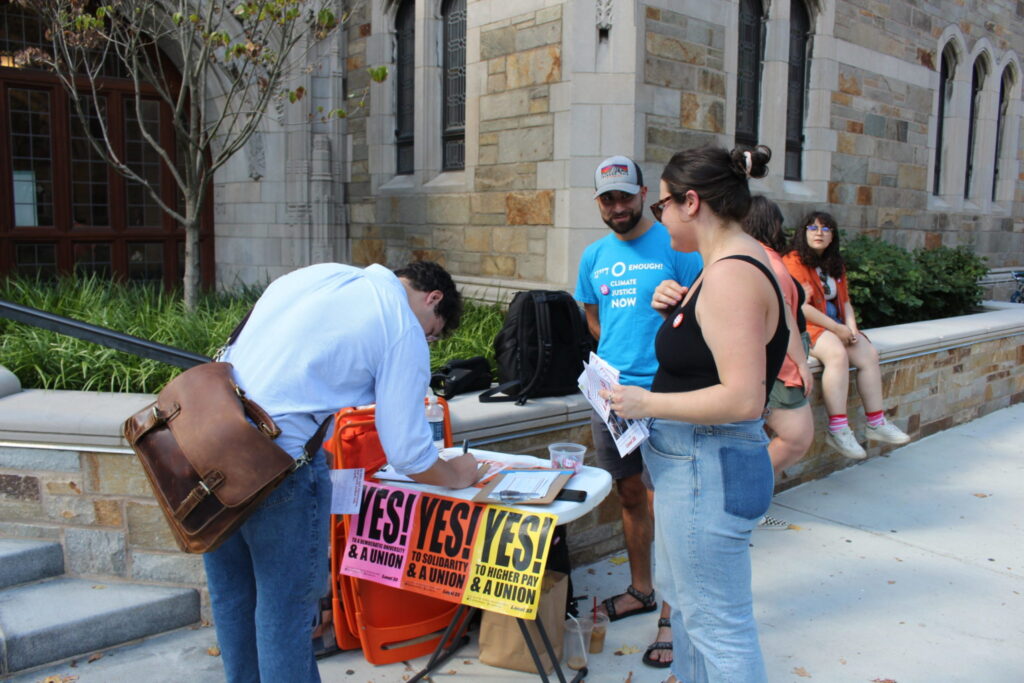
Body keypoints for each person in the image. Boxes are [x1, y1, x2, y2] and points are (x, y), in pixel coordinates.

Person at [205, 261, 482, 683]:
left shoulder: (320, 274)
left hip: (210, 448)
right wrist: (456, 474)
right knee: (286, 614)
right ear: (433, 298)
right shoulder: (401, 325)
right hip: (276, 465)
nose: (428, 338)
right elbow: (408, 453)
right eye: (434, 331)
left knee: (233, 599)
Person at [604, 144, 785, 683]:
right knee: (688, 612)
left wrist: (646, 402)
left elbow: (744, 397)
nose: (657, 218)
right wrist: (679, 309)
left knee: (719, 629)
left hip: (707, 468)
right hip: (698, 467)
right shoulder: (726, 266)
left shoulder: (731, 274)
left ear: (690, 202)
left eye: (660, 207)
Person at [575, 155, 702, 669]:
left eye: (626, 196)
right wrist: (616, 364)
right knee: (630, 495)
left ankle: (672, 615)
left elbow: (702, 311)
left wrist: (672, 323)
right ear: (599, 203)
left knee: (666, 504)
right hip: (611, 399)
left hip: (666, 396)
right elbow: (592, 315)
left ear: (645, 193)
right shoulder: (593, 255)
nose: (618, 206)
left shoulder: (676, 245)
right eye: (608, 199)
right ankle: (642, 590)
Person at [782, 211, 910, 459]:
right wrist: (837, 328)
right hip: (806, 325)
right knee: (836, 354)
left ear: (833, 237)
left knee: (868, 354)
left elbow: (845, 302)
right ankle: (838, 429)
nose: (819, 233)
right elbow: (801, 306)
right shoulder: (793, 261)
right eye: (813, 228)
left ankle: (876, 421)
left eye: (825, 229)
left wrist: (851, 328)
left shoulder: (835, 264)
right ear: (803, 232)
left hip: (834, 324)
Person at [742, 196, 815, 529]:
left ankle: (749, 503)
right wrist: (799, 366)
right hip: (780, 362)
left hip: (774, 358)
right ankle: (743, 500)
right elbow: (783, 319)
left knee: (764, 436)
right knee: (797, 437)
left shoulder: (753, 258)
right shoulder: (766, 262)